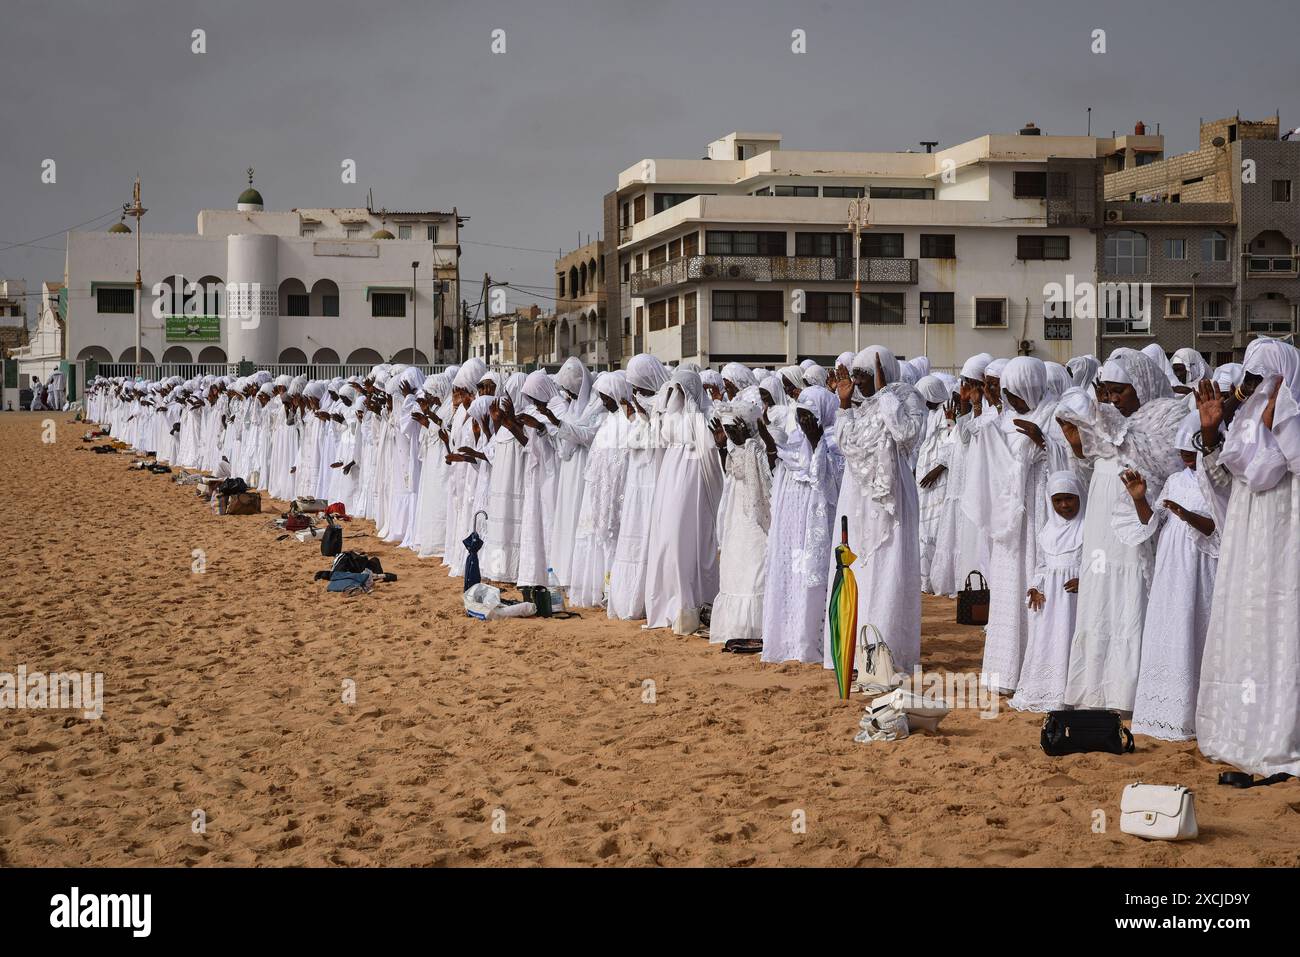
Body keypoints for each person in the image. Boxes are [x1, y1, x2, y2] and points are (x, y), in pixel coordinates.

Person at [1056, 350, 1187, 712]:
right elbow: (1087, 462)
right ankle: (1094, 689)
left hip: (1140, 518)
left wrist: (1114, 429)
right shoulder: (1109, 422)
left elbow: (1166, 461)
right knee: (1101, 593)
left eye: (1121, 391)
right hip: (1101, 516)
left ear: (1141, 385)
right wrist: (1078, 440)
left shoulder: (1169, 413)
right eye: (1108, 392)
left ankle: (1131, 692)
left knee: (1131, 591)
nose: (1113, 400)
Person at [1195, 337, 1300, 781]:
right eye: (1253, 380)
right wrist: (1211, 431)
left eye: (1267, 380)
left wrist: (1284, 425)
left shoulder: (1292, 420)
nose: (1258, 389)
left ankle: (1282, 733)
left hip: (1286, 547)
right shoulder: (1245, 426)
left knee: (1283, 630)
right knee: (1249, 628)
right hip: (1246, 549)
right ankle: (1244, 729)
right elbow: (1225, 481)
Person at [828, 346, 926, 673]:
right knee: (861, 566)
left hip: (892, 499)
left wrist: (885, 393)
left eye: (865, 376)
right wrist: (843, 404)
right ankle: (858, 649)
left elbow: (906, 434)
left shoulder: (906, 397)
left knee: (889, 566)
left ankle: (885, 650)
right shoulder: (861, 406)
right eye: (856, 376)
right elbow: (846, 444)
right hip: (858, 498)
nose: (858, 382)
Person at [1128, 414, 1219, 741]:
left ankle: (1194, 714)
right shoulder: (1175, 480)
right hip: (1172, 563)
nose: (1184, 456)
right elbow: (1153, 522)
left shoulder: (1220, 480)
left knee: (1194, 626)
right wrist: (1140, 499)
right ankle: (1163, 712)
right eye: (1180, 450)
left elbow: (1217, 529)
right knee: (1168, 626)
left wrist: (1186, 515)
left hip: (1200, 564)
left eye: (1189, 450)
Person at [760, 386, 843, 663]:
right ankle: (788, 640)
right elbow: (781, 475)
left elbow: (829, 483)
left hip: (818, 529)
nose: (805, 423)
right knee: (792, 578)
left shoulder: (836, 443)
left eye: (811, 417)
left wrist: (818, 440)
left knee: (813, 580)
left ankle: (811, 644)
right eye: (802, 416)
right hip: (793, 529)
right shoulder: (794, 446)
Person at [643, 369, 724, 629]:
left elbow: (710, 451)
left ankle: (691, 603)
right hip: (671, 477)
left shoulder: (703, 418)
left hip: (692, 480)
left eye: (681, 390)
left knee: (685, 538)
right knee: (668, 539)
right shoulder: (671, 416)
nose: (677, 395)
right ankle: (672, 602)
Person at [1009, 471, 1086, 712]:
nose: (1064, 505)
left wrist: (1086, 579)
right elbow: (1041, 566)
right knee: (1048, 642)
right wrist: (1034, 588)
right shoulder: (1047, 532)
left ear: (1080, 497)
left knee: (1074, 641)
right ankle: (1047, 691)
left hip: (1076, 601)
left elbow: (1100, 561)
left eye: (1069, 498)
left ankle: (1073, 694)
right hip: (1050, 602)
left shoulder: (1089, 528)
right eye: (1057, 500)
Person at [608, 355, 670, 620]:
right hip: (636, 484)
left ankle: (648, 599)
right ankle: (627, 599)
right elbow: (632, 439)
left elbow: (664, 438)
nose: (636, 394)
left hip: (654, 481)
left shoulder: (666, 405)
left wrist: (647, 417)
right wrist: (637, 417)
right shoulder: (639, 406)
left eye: (640, 387)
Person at [709, 386, 771, 645]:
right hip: (736, 516)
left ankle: (757, 626)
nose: (731, 435)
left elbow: (762, 482)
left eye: (735, 429)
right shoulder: (736, 448)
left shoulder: (758, 449)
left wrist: (747, 443)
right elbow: (731, 471)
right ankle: (735, 625)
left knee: (755, 566)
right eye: (728, 430)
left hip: (755, 520)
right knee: (736, 566)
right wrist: (723, 447)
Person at [568, 372, 633, 607]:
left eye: (607, 397)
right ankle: (604, 587)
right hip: (600, 491)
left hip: (618, 492)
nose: (603, 402)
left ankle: (615, 589)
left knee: (615, 538)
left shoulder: (627, 423)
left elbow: (623, 462)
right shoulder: (608, 421)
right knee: (601, 540)